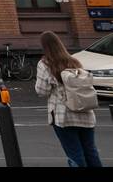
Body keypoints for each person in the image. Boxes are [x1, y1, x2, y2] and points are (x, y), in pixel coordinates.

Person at [34, 31, 103, 167]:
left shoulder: (45, 64)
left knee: (75, 155)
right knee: (91, 152)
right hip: (85, 113)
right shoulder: (74, 61)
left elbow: (41, 91)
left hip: (63, 116)